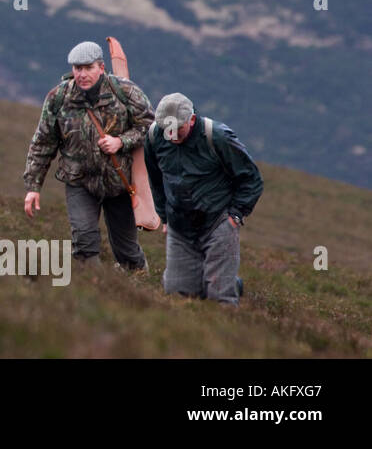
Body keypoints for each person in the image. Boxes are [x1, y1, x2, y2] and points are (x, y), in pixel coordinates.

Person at [22, 41, 154, 270]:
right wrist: (33, 186)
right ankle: (95, 289)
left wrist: (121, 141)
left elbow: (151, 129)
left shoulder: (125, 92)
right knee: (84, 242)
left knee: (127, 252)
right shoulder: (59, 98)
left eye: (88, 68)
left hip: (119, 183)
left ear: (101, 67)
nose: (82, 74)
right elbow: (43, 142)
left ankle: (139, 289)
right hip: (79, 182)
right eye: (77, 68)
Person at [144, 92, 263, 305]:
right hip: (179, 225)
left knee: (220, 299)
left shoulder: (216, 136)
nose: (171, 135)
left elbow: (251, 179)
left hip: (218, 222)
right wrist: (164, 217)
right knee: (177, 296)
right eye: (166, 129)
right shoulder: (154, 137)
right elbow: (155, 179)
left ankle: (229, 287)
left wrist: (235, 216)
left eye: (177, 129)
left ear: (191, 119)